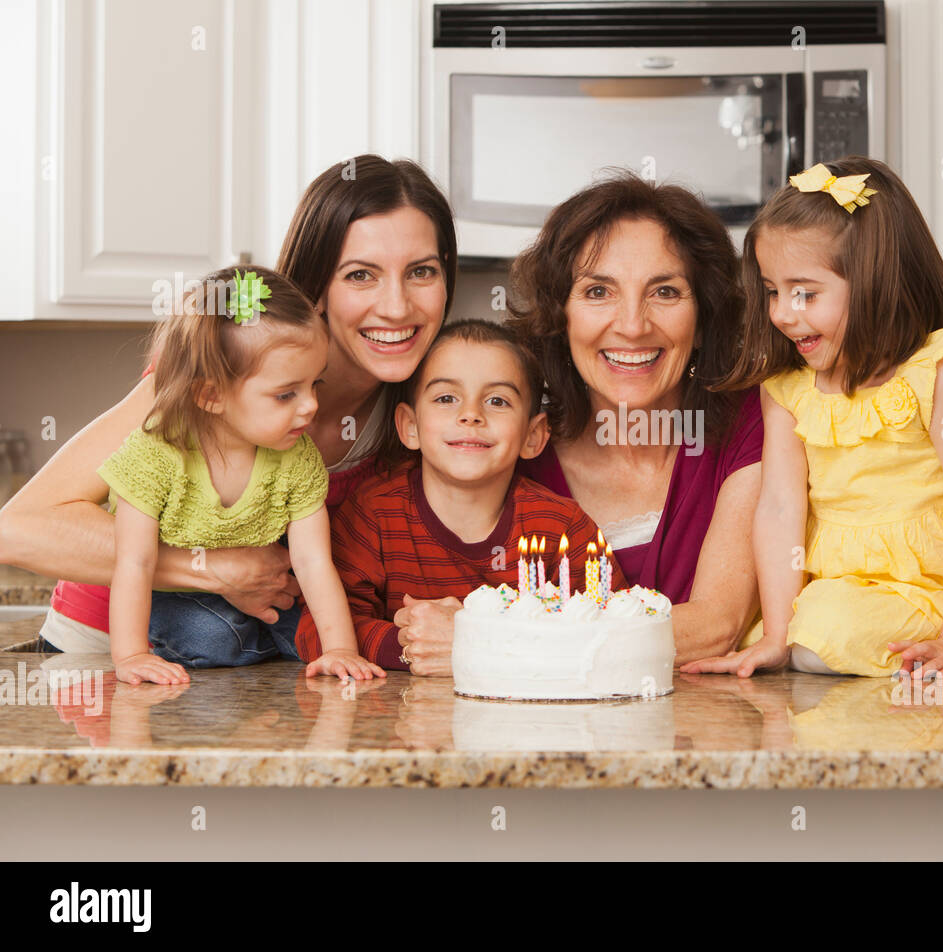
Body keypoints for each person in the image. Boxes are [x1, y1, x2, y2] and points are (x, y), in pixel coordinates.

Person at [0, 156, 460, 664]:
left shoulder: (437, 407)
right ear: (317, 286)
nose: (397, 306)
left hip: (246, 658)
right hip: (106, 654)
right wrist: (212, 566)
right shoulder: (212, 375)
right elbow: (19, 531)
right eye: (360, 275)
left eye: (421, 271)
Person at [681, 157, 943, 678]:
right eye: (771, 291)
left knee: (828, 631)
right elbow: (782, 510)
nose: (783, 312)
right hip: (828, 588)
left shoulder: (936, 377)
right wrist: (779, 633)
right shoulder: (787, 391)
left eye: (804, 292)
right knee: (779, 635)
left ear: (876, 282)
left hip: (923, 593)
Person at [507, 172, 763, 665]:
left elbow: (715, 626)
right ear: (560, 318)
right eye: (598, 292)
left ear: (704, 317)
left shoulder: (747, 425)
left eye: (664, 292)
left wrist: (503, 641)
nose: (631, 325)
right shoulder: (515, 448)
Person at [94, 267, 383, 684]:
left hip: (258, 592)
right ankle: (252, 644)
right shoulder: (155, 455)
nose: (310, 407)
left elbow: (313, 561)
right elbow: (135, 562)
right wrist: (131, 655)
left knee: (311, 633)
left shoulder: (296, 455)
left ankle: (266, 643)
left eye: (313, 385)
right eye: (287, 394)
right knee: (214, 636)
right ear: (211, 395)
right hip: (176, 595)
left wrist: (340, 649)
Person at [295, 320, 627, 670]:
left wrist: (475, 646)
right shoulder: (372, 514)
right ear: (410, 426)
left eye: (497, 400)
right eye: (446, 398)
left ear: (533, 436)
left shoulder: (563, 528)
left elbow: (620, 632)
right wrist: (409, 645)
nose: (471, 415)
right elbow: (315, 631)